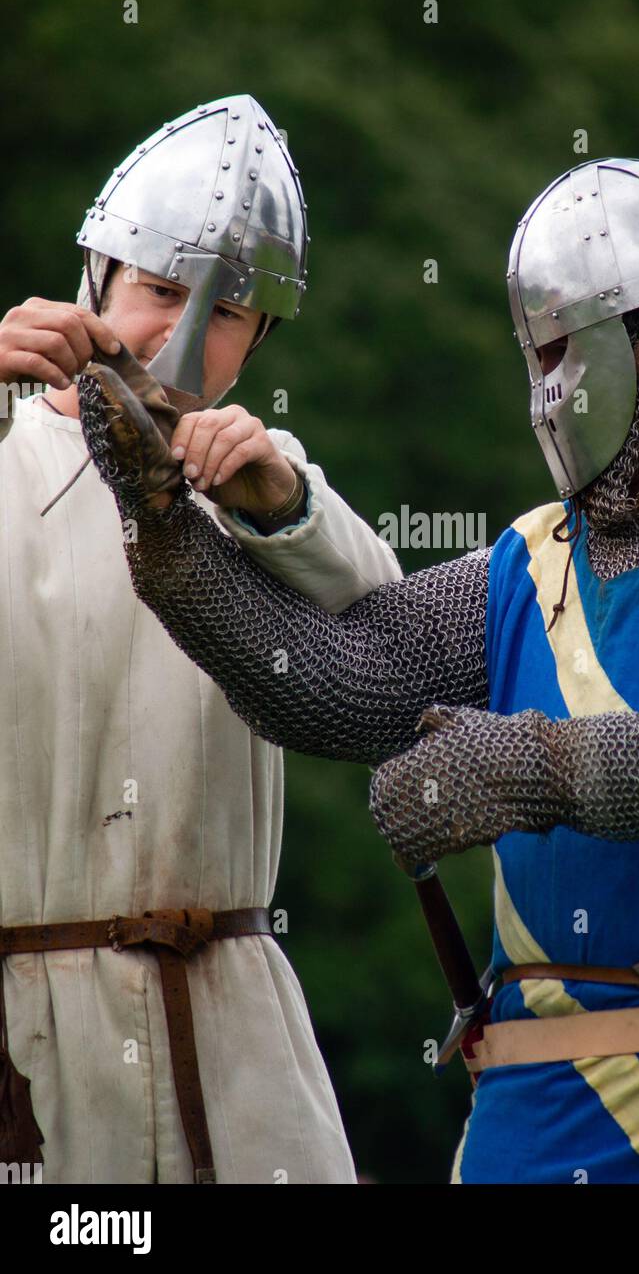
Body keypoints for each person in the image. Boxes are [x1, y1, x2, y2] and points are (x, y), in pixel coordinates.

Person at [77, 157, 639, 1185]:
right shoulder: (531, 561)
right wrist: (166, 527)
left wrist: (542, 766)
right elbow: (333, 677)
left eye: (557, 354)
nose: (543, 394)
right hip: (539, 1119)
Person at [0, 95, 401, 1185]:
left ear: (259, 335)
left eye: (225, 309)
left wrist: (281, 504)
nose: (182, 335)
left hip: (237, 1043)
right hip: (25, 1046)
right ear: (100, 277)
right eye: (164, 290)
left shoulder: (267, 487)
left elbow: (411, 656)